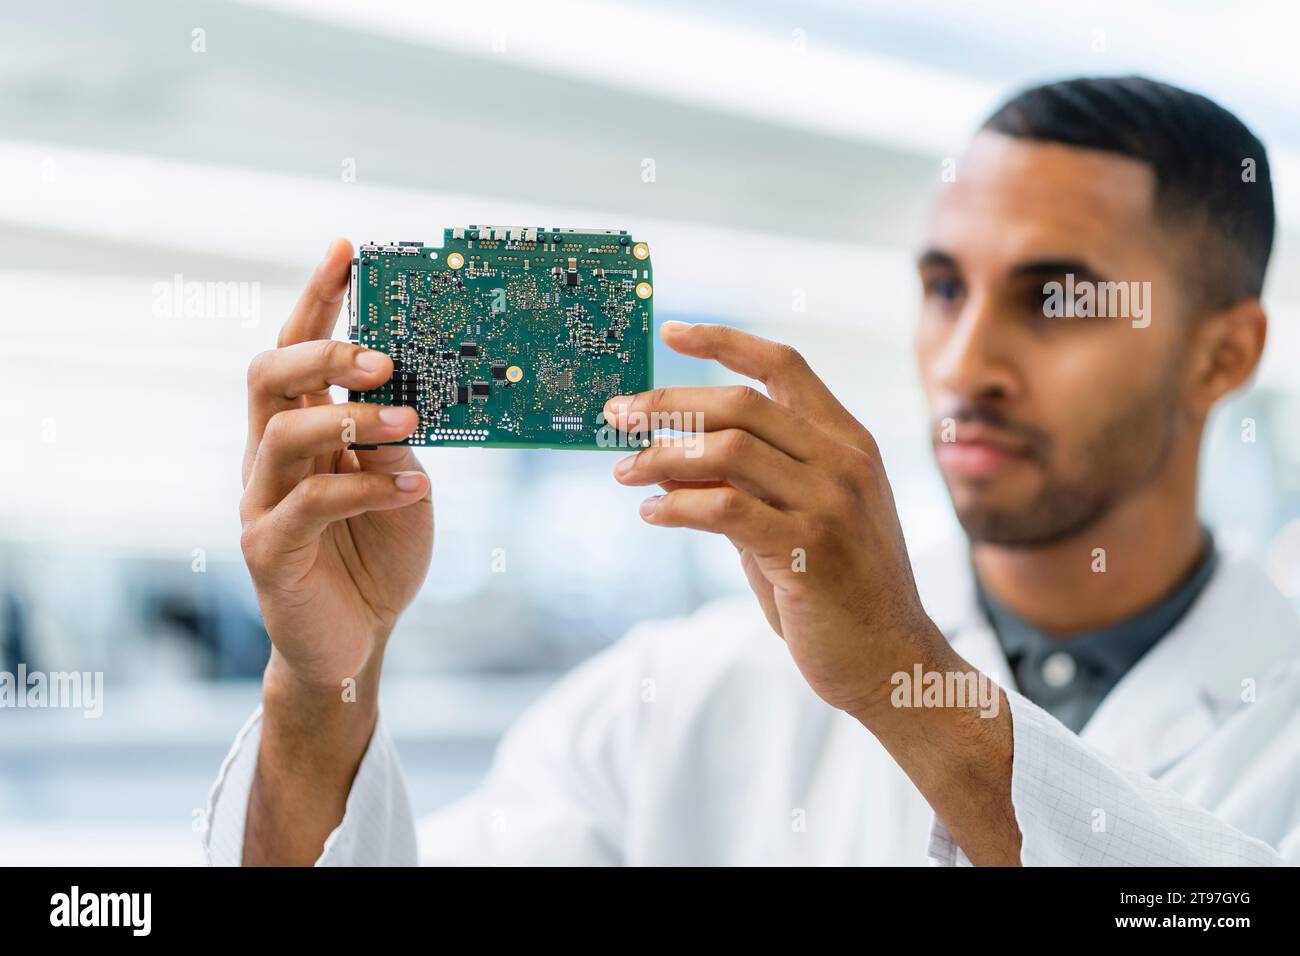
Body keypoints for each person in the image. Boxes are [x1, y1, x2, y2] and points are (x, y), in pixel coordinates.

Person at [206, 76, 1300, 866]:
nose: (967, 362)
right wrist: (322, 686)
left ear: (1223, 353)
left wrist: (906, 686)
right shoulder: (674, 700)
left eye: (1053, 298)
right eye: (943, 288)